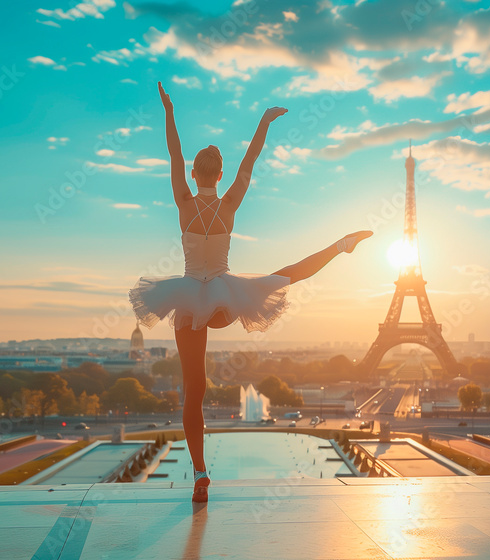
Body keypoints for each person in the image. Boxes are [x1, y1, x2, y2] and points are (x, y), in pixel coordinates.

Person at [128, 83, 372, 502]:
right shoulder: (228, 206)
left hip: (187, 297)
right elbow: (251, 162)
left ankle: (200, 471)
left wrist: (169, 111)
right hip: (224, 296)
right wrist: (263, 122)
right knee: (283, 275)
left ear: (193, 173)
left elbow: (173, 152)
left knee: (195, 390)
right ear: (219, 175)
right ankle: (338, 246)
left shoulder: (183, 201)